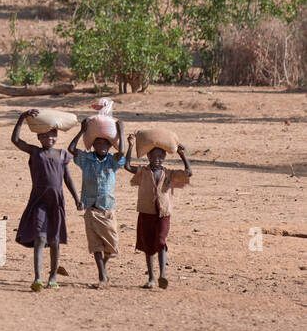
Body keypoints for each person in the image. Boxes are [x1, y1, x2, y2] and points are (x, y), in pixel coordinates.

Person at [12, 110, 80, 291]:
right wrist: (21, 118)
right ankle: (38, 278)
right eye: (46, 135)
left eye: (53, 134)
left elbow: (67, 178)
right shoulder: (35, 152)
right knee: (40, 238)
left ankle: (53, 277)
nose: (51, 138)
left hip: (56, 202)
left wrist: (76, 198)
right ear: (39, 138)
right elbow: (16, 141)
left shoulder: (62, 154)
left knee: (55, 240)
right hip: (39, 201)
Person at [126, 135, 192, 289]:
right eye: (154, 156)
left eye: (160, 156)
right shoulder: (143, 171)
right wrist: (130, 146)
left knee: (161, 242)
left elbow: (189, 173)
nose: (157, 159)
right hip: (146, 212)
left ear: (164, 157)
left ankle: (162, 275)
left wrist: (182, 155)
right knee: (148, 245)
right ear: (148, 156)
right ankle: (151, 277)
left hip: (163, 214)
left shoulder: (169, 173)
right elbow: (127, 166)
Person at [68, 116, 127, 286]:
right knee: (95, 245)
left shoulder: (112, 161)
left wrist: (121, 131)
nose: (102, 147)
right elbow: (72, 149)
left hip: (107, 208)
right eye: (99, 144)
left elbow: (122, 153)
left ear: (110, 146)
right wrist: (81, 131)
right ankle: (102, 274)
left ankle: (104, 267)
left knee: (112, 244)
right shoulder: (86, 159)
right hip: (90, 208)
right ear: (93, 145)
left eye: (106, 144)